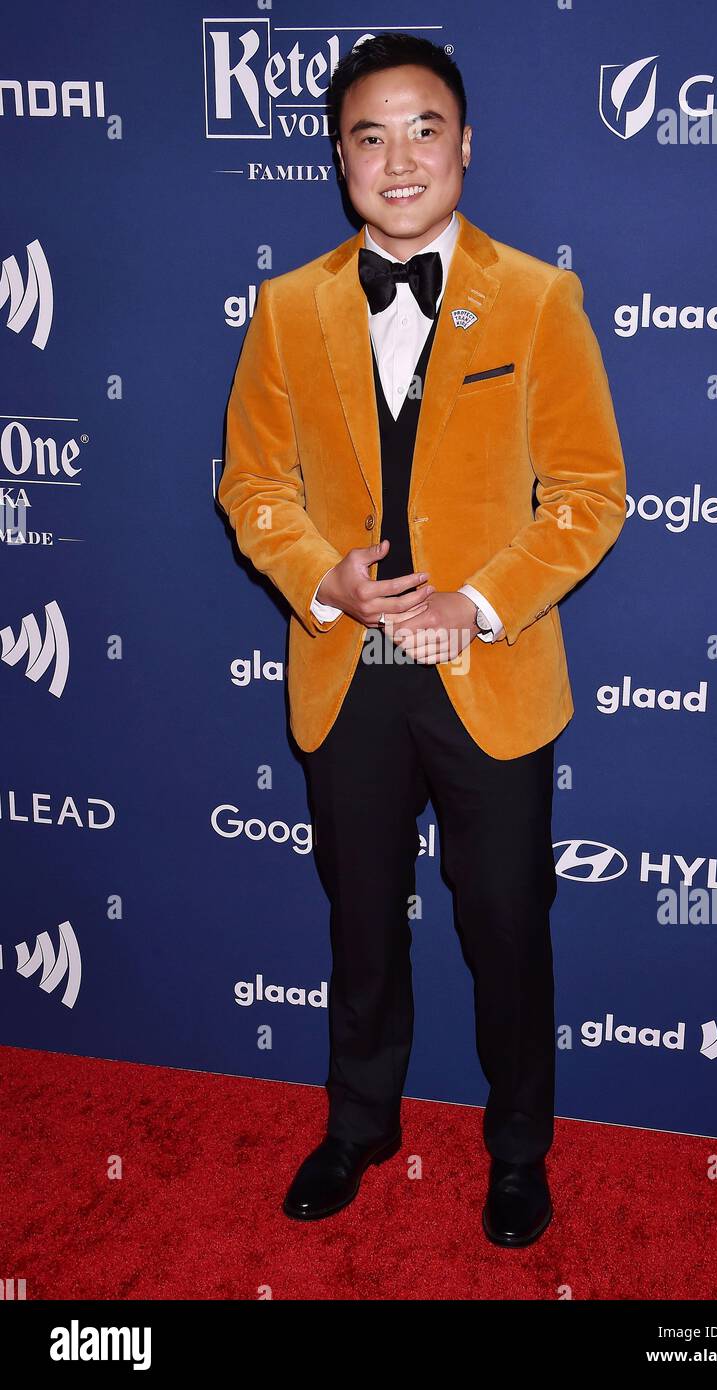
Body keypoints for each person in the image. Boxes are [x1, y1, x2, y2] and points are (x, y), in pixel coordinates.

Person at [218, 32, 626, 1247]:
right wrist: (319, 577)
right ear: (340, 157)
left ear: (464, 143)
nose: (398, 159)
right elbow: (251, 488)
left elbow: (591, 493)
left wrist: (480, 602)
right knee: (359, 919)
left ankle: (517, 1149)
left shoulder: (541, 297)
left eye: (423, 128)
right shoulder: (288, 307)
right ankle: (359, 1124)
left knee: (505, 919)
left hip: (485, 667)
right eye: (368, 135)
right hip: (350, 669)